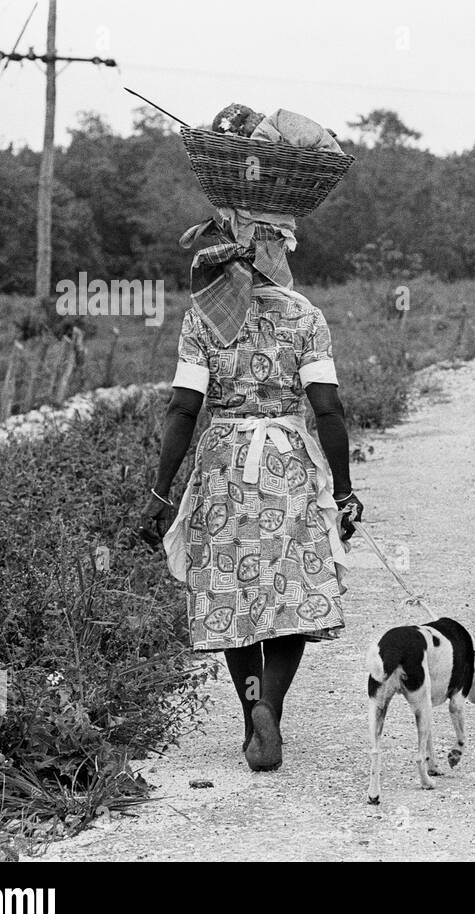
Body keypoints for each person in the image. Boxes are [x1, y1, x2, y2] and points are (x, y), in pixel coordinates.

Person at [136, 211, 362, 771]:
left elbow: (184, 406)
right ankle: (273, 714)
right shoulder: (306, 316)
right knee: (292, 595)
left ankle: (252, 717)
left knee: (234, 600)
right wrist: (344, 490)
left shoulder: (203, 320)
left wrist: (162, 492)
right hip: (288, 465)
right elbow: (327, 407)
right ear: (277, 251)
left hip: (222, 469)